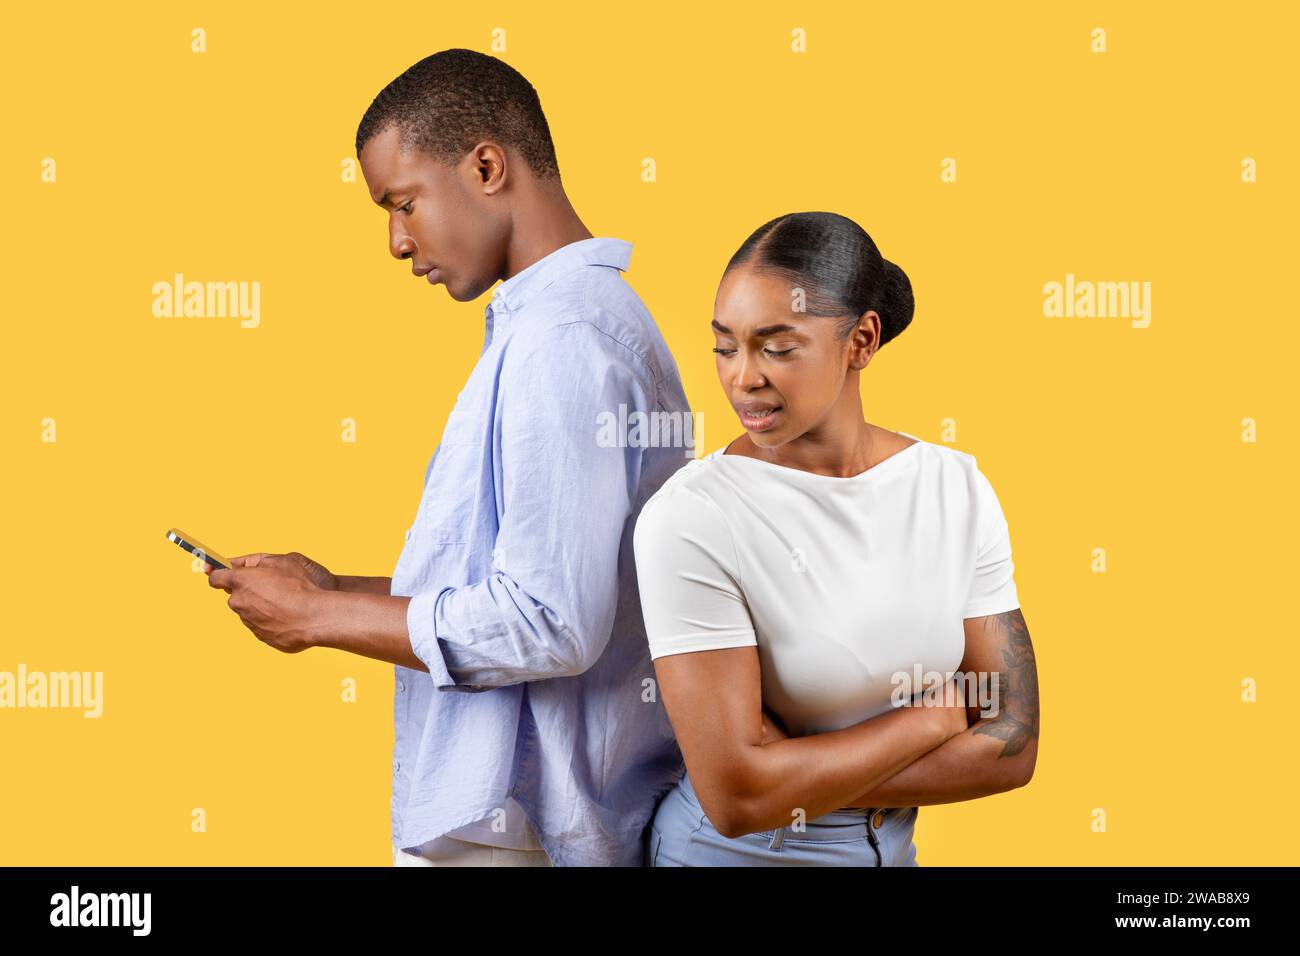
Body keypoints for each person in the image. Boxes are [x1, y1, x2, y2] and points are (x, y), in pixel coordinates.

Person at [206, 49, 692, 867]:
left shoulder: (563, 341)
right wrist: (335, 590)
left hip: (528, 829)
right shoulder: (555, 326)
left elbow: (551, 622)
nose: (397, 242)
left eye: (403, 203)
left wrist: (322, 620)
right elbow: (541, 580)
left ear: (487, 166)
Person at [632, 211, 1040, 866]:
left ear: (862, 340)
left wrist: (789, 771)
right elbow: (736, 800)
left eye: (777, 346)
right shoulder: (692, 518)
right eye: (725, 346)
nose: (742, 377)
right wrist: (933, 720)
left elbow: (1014, 743)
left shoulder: (954, 488)